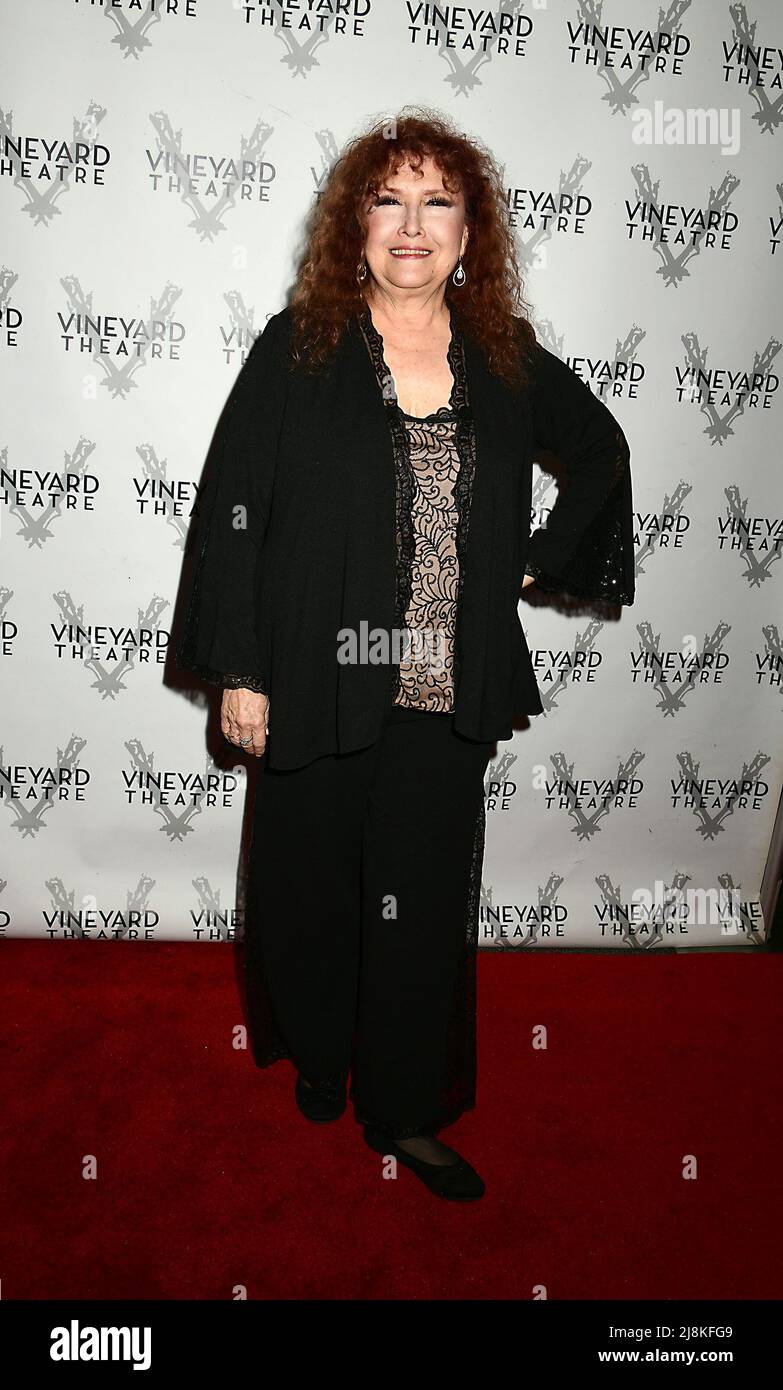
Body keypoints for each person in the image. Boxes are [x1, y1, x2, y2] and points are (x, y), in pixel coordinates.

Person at [175, 108, 635, 1202]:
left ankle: (409, 1107)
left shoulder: (507, 359)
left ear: (470, 231)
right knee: (313, 887)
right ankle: (326, 1056)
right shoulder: (303, 345)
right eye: (390, 200)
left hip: (444, 688)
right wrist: (241, 669)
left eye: (439, 202)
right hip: (318, 670)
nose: (414, 224)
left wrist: (541, 559)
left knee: (422, 909)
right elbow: (234, 506)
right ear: (357, 227)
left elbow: (602, 447)